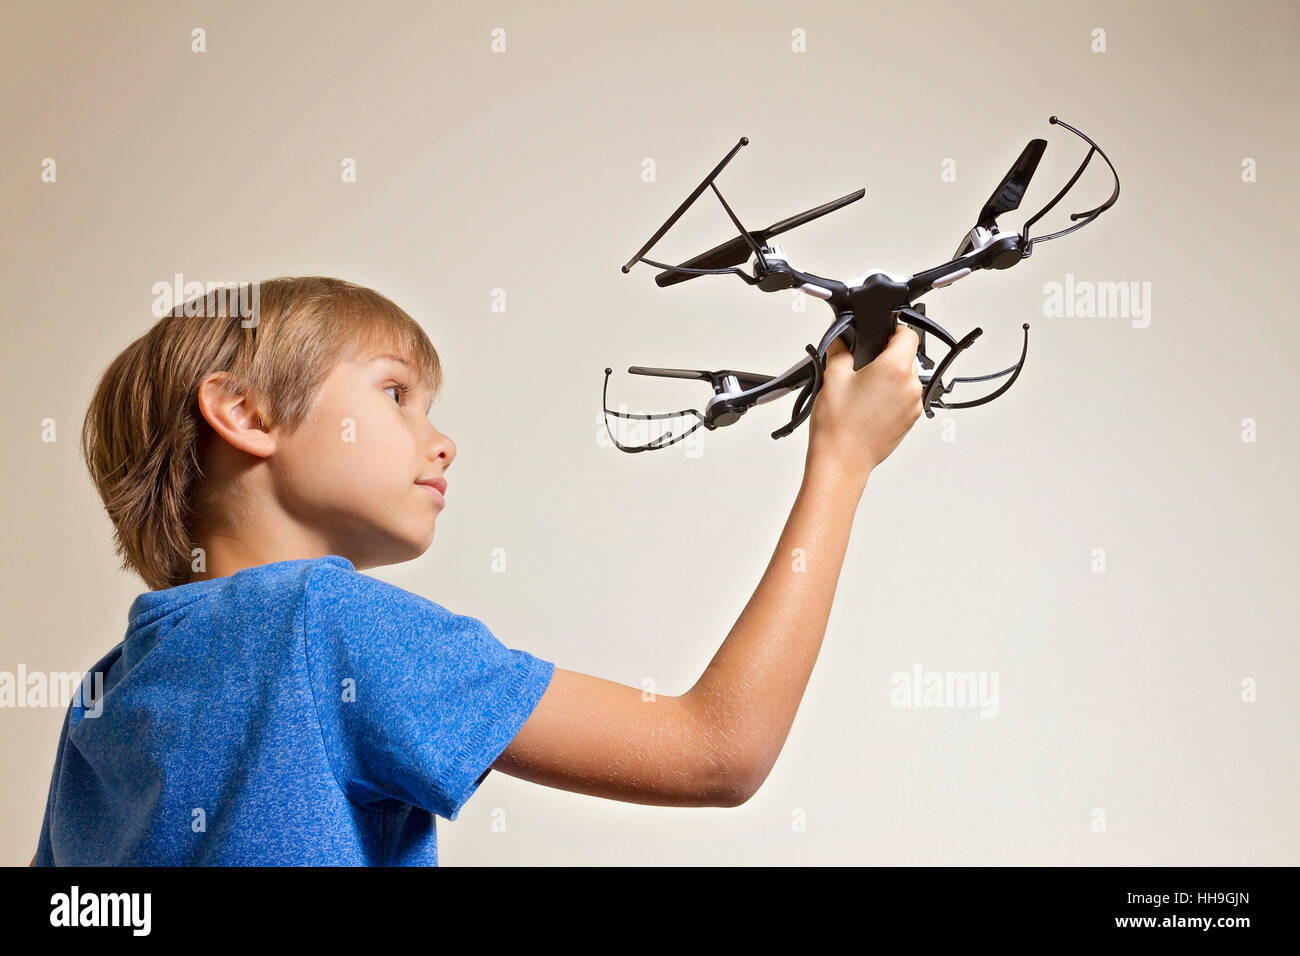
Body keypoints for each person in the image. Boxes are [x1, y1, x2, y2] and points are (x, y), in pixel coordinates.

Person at [31, 275, 922, 866]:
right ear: (244, 412)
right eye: (395, 393)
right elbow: (717, 751)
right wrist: (840, 465)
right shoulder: (322, 621)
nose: (440, 439)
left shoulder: (109, 689)